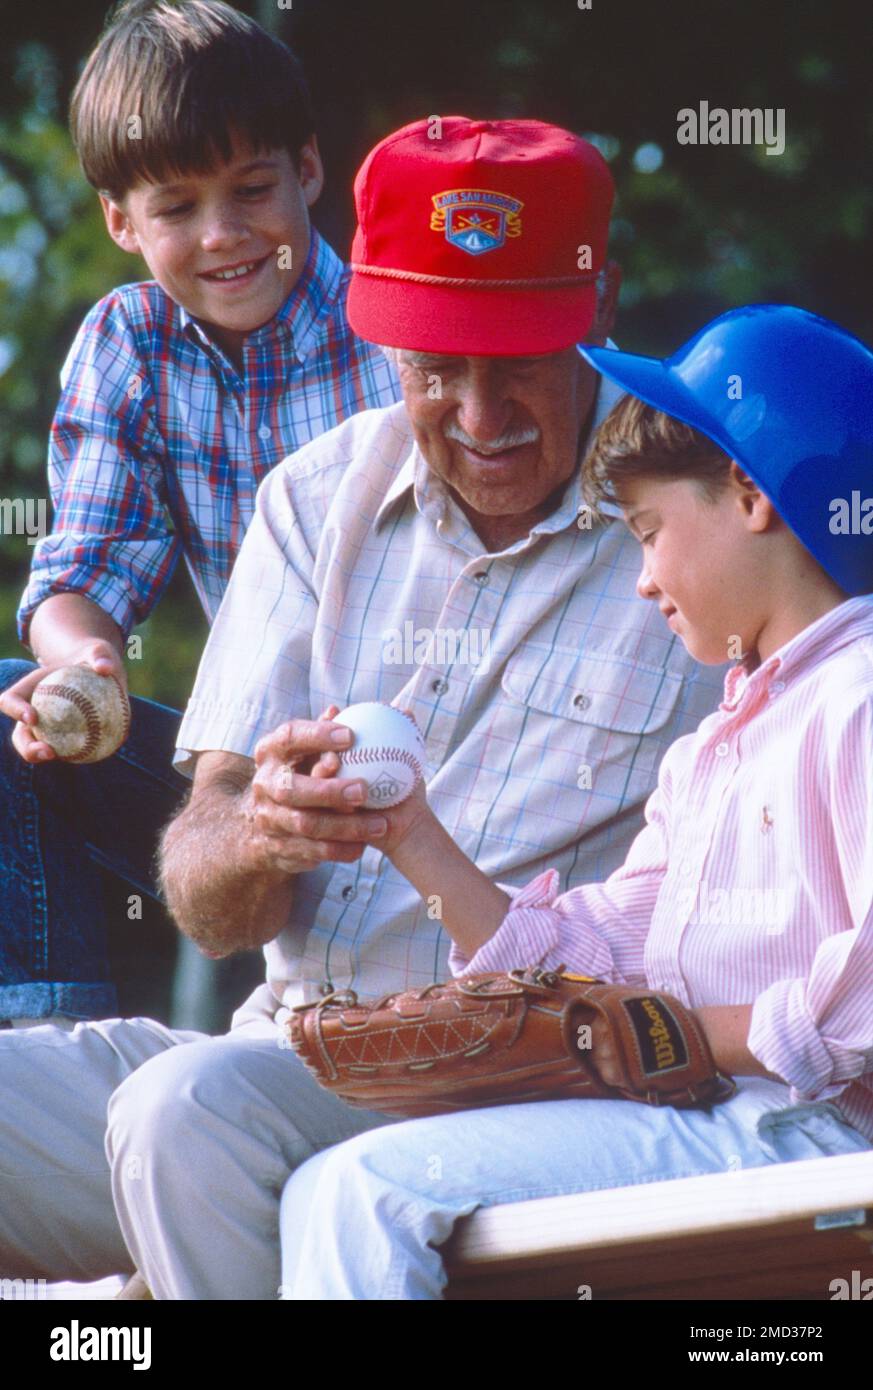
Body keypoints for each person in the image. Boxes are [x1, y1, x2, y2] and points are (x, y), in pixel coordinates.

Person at [0, 115, 725, 1300]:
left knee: (189, 1117)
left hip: (512, 1082)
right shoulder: (313, 497)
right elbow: (206, 900)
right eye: (437, 367)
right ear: (378, 336)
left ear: (600, 308)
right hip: (282, 1049)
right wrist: (259, 830)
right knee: (175, 1105)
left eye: (521, 359)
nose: (482, 417)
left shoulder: (699, 515)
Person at [275, 304, 873, 1300]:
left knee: (362, 1192)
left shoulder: (856, 696)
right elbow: (597, 957)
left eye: (648, 533)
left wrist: (674, 1037)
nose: (641, 581)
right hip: (728, 1120)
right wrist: (410, 832)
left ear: (750, 495)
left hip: (814, 1131)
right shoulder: (717, 747)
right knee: (344, 1184)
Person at [0, 0, 400, 1028]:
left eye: (252, 189)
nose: (224, 235)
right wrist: (84, 661)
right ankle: (51, 1046)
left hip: (402, 760)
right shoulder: (131, 343)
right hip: (236, 786)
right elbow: (82, 568)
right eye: (177, 207)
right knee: (8, 716)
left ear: (307, 170)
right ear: (121, 222)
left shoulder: (393, 339)